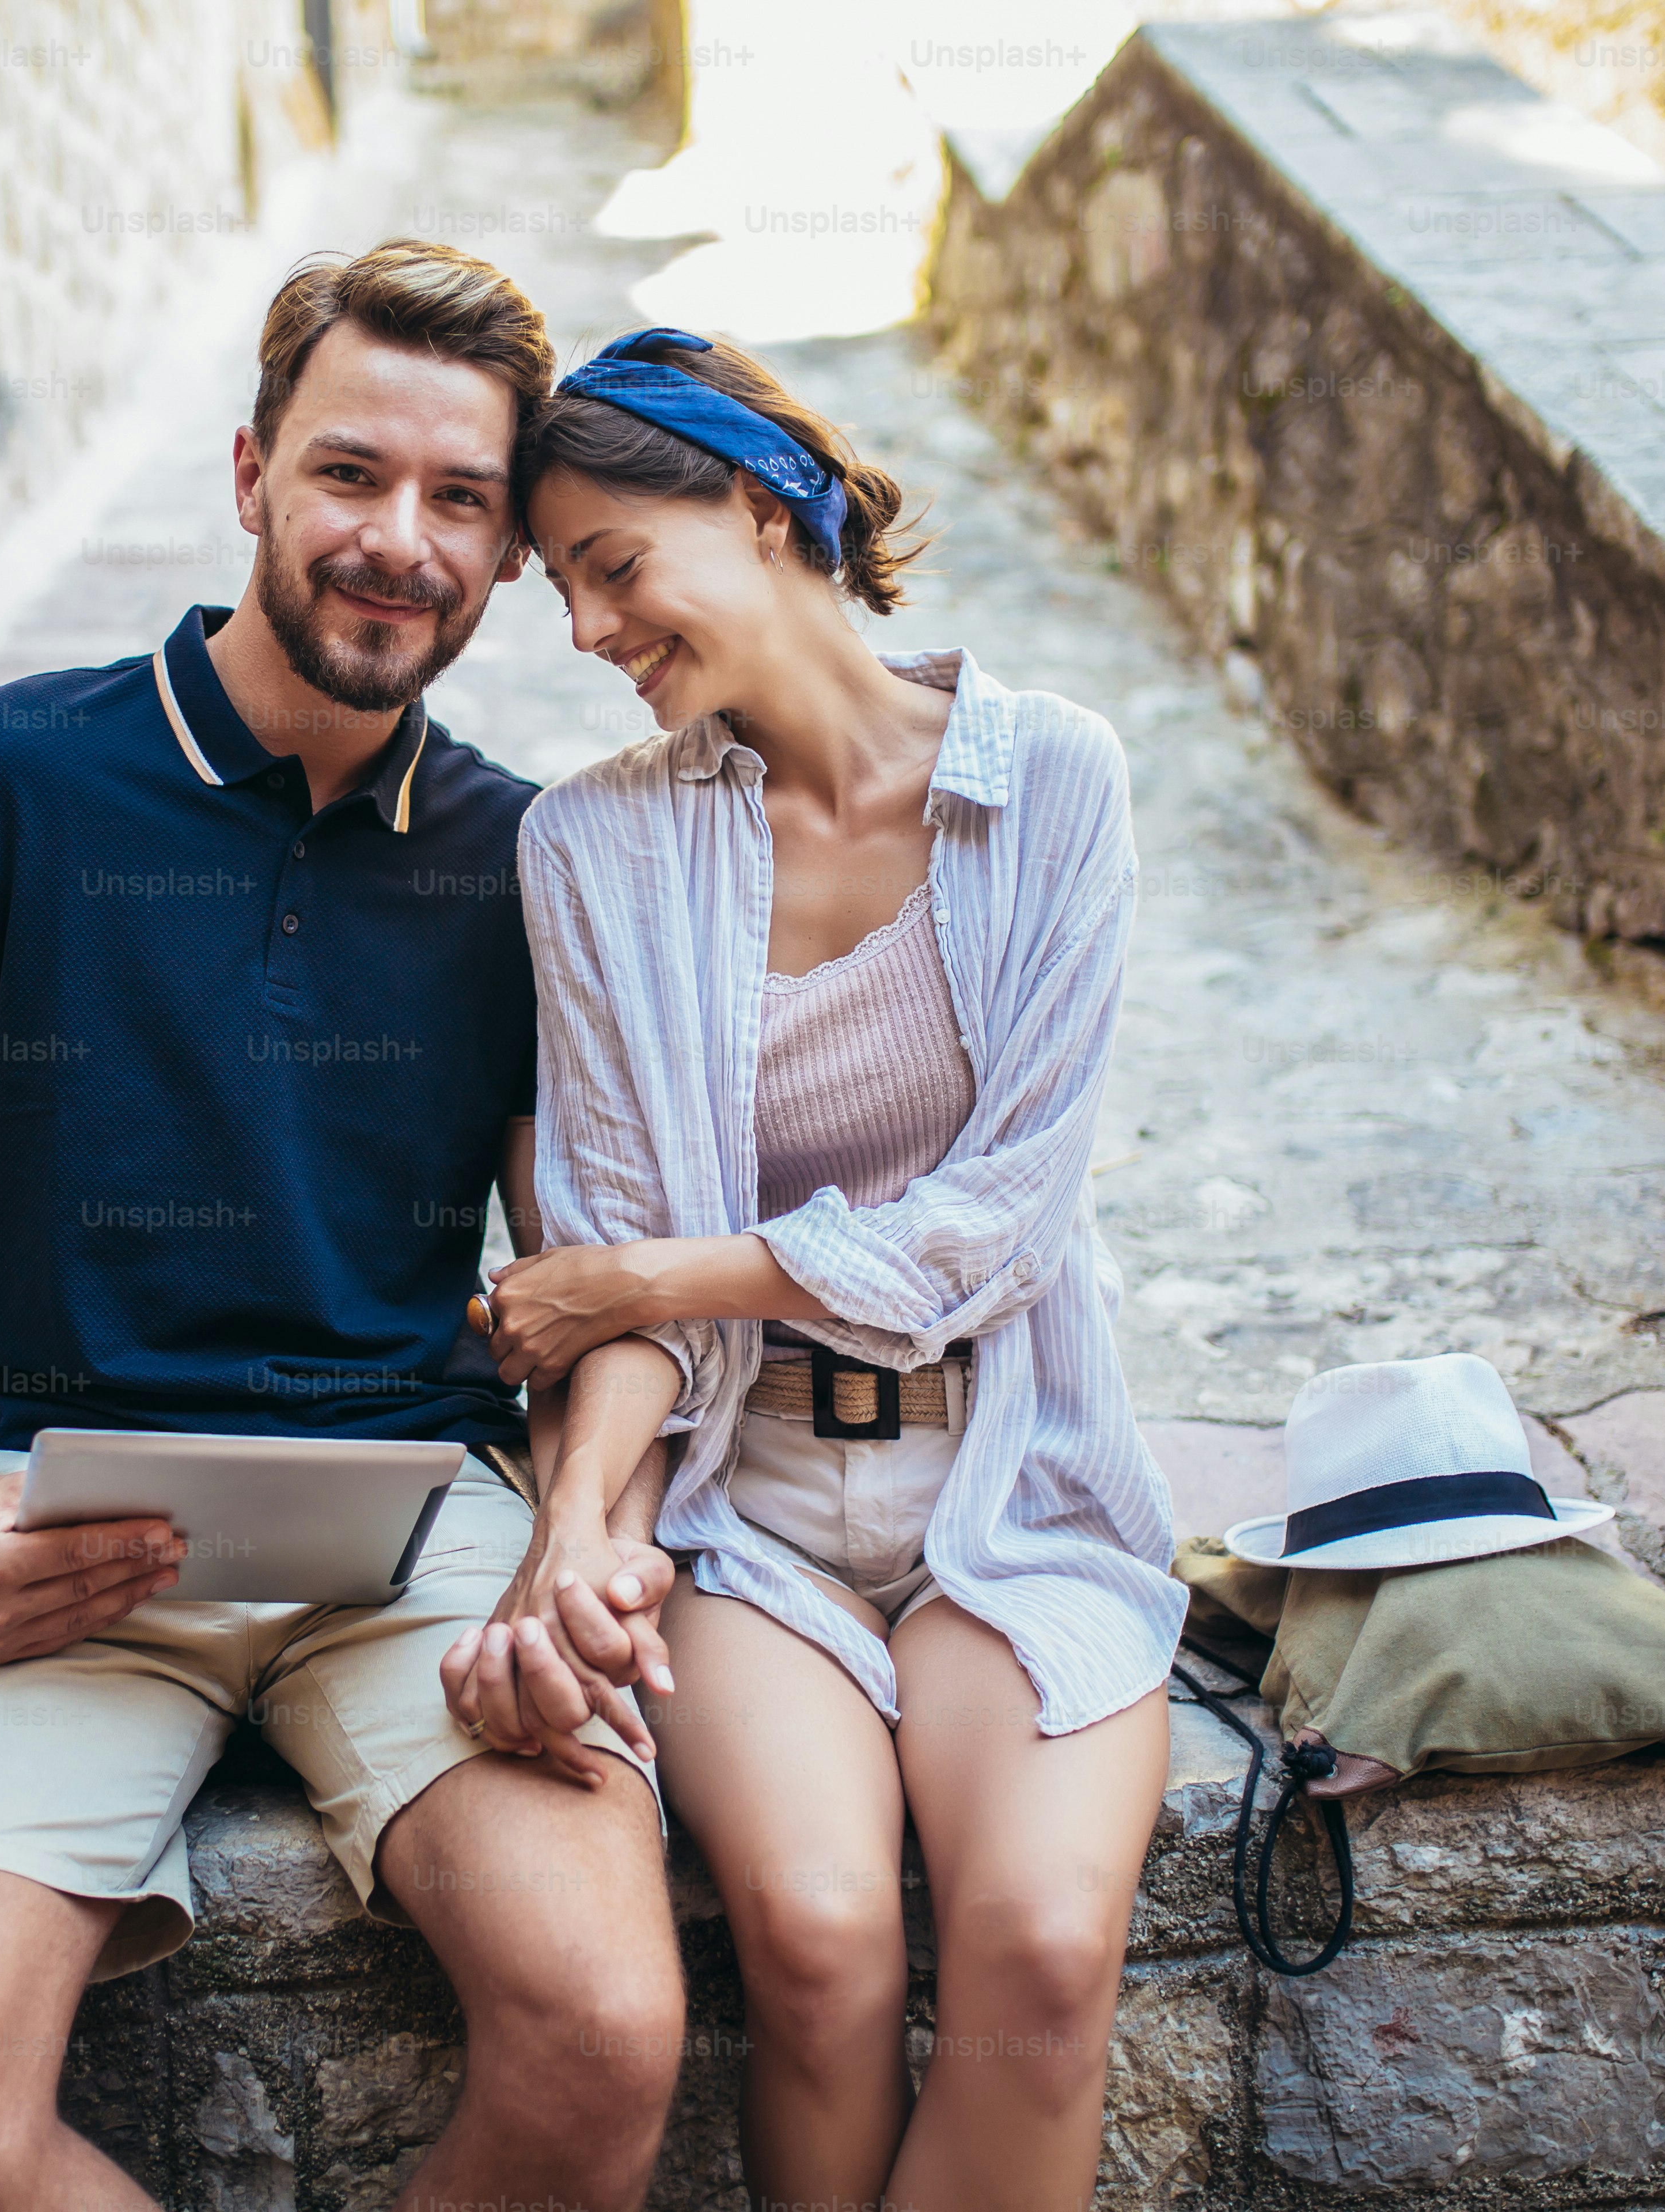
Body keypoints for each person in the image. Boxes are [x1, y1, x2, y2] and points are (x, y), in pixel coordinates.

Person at [0, 244, 685, 2212]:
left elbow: (598, 1283)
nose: (400, 542)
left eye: (461, 501)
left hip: (417, 1541)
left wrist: (581, 1534)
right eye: (352, 475)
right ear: (253, 471)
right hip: (60, 1538)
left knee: (609, 2032)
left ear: (512, 554)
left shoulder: (533, 855)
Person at [463, 327, 1186, 2210]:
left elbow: (998, 1228)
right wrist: (578, 1524)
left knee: (1032, 1957)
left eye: (617, 565)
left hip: (1009, 1474)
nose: (589, 629)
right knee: (820, 1942)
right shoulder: (592, 845)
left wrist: (649, 1281)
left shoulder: (1053, 785)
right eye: (562, 589)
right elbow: (613, 1254)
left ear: (769, 503)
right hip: (743, 1501)